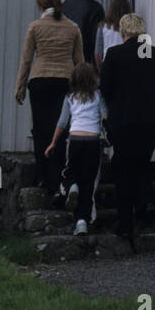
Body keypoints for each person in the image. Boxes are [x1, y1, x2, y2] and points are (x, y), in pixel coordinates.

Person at [100, 13, 155, 249]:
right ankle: (144, 206)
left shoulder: (115, 55)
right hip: (152, 121)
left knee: (122, 171)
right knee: (141, 163)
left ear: (122, 32)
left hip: (124, 121)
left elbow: (105, 88)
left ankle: (125, 224)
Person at [15, 0, 83, 201]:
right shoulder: (72, 28)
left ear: (41, 6)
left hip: (40, 79)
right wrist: (83, 88)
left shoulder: (35, 27)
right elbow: (80, 60)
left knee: (40, 128)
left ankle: (42, 175)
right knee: (61, 128)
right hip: (64, 80)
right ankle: (60, 175)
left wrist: (20, 87)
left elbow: (26, 60)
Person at [45, 62, 108, 237]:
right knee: (89, 181)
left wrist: (52, 142)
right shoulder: (97, 95)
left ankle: (71, 186)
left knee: (70, 171)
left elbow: (62, 122)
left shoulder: (70, 97)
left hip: (75, 139)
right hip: (93, 140)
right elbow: (105, 116)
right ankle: (82, 222)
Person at [61, 0, 105, 72]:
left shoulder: (65, 4)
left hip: (65, 54)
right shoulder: (96, 8)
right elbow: (97, 37)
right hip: (85, 55)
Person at [94, 0, 132, 69]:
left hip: (108, 62)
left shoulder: (103, 26)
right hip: (126, 62)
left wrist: (100, 68)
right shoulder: (131, 27)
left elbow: (98, 53)